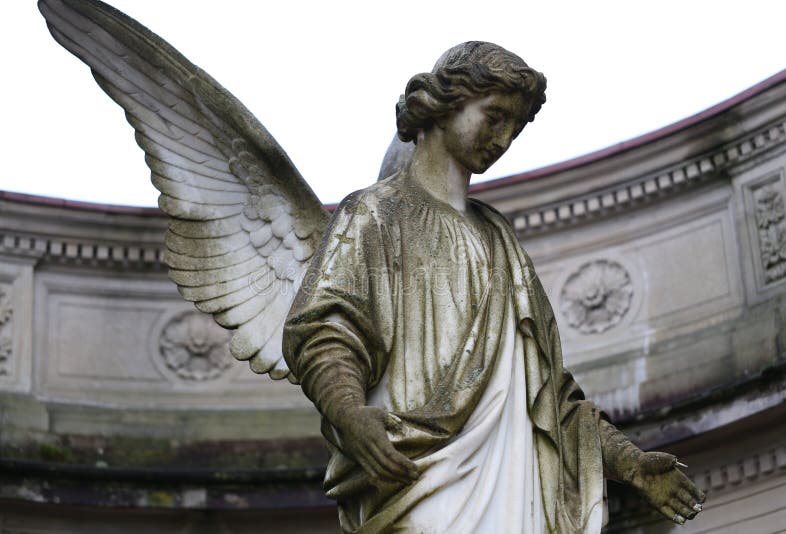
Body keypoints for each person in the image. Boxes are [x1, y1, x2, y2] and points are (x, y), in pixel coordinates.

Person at [283, 41, 704, 533]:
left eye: (516, 127)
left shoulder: (500, 239)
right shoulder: (375, 213)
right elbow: (327, 330)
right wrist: (350, 413)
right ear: (442, 104)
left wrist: (627, 461)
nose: (503, 139)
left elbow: (549, 395)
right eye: (495, 116)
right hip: (415, 478)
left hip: (513, 485)